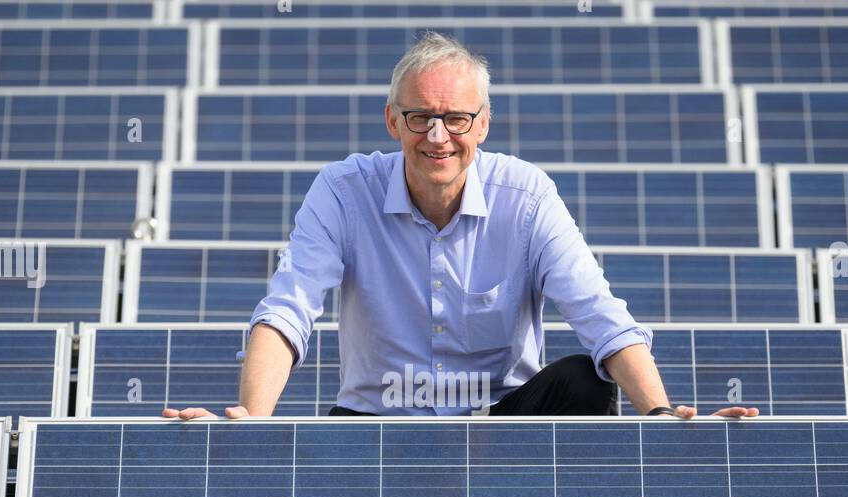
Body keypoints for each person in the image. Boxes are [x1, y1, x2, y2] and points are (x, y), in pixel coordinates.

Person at [164, 32, 758, 422]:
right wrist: (251, 417)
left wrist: (660, 417)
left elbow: (599, 314)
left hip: (503, 419)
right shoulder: (343, 191)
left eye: (455, 118)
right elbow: (289, 306)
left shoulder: (527, 197)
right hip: (380, 420)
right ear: (393, 120)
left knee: (584, 381)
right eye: (420, 117)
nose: (438, 136)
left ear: (484, 124)